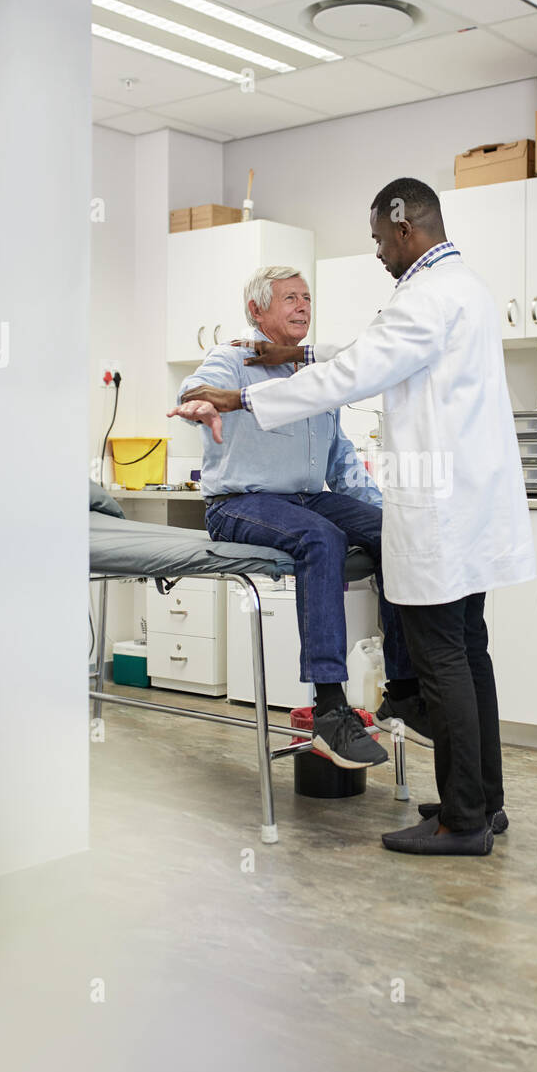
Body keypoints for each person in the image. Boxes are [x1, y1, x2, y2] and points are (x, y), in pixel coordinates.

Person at [173, 179, 534, 857]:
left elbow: (360, 367)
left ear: (403, 228)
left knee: (447, 659)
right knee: (470, 651)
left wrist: (251, 399)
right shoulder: (465, 290)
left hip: (441, 508)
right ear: (259, 312)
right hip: (469, 504)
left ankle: (462, 819)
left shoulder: (425, 297)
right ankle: (483, 801)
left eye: (376, 239)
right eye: (291, 298)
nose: (376, 253)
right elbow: (362, 355)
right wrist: (268, 370)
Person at [169, 264, 433, 771]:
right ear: (256, 311)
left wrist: (386, 514)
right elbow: (194, 389)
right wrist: (198, 404)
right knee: (321, 540)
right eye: (289, 298)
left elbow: (341, 463)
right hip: (239, 503)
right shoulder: (233, 358)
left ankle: (402, 690)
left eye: (306, 298)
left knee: (390, 533)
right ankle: (330, 709)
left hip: (308, 497)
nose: (302, 307)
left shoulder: (316, 376)